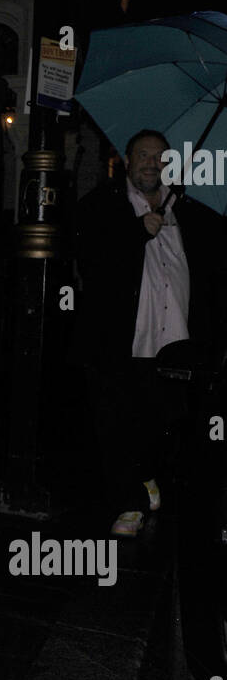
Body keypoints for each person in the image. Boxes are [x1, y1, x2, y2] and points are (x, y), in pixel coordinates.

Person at [73, 128, 227, 536]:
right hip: (123, 342)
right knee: (118, 424)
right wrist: (138, 231)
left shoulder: (187, 211)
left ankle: (145, 476)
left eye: (159, 156)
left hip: (176, 345)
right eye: (142, 155)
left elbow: (210, 271)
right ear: (128, 160)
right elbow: (90, 261)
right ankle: (129, 503)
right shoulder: (102, 205)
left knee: (166, 421)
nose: (150, 163)